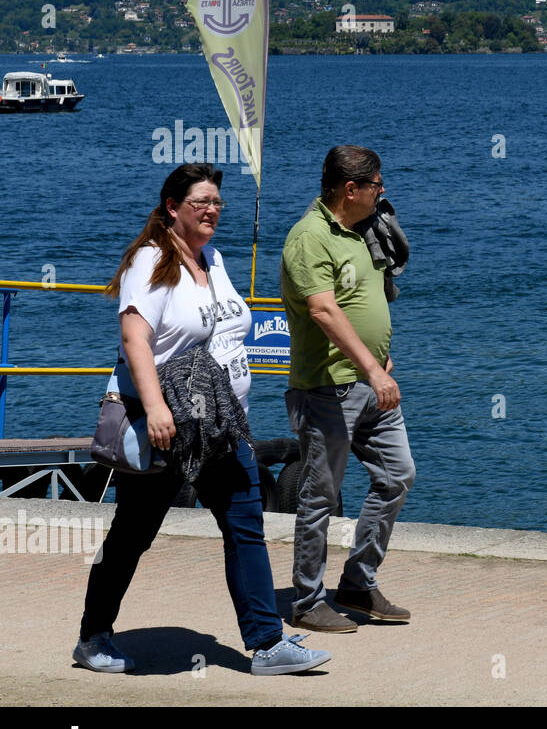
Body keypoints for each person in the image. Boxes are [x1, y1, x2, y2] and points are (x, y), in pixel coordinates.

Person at [75, 162, 330, 676]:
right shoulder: (151, 261)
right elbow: (135, 339)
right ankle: (94, 638)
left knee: (245, 525)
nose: (212, 210)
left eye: (217, 202)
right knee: (131, 536)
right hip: (167, 430)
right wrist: (157, 409)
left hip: (219, 426)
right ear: (173, 208)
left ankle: (268, 644)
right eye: (201, 202)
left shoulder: (211, 259)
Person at [281, 145, 415, 633]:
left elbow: (364, 299)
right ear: (350, 189)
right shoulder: (309, 238)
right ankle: (307, 599)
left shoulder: (363, 231)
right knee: (320, 495)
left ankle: (358, 581)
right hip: (327, 387)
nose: (384, 192)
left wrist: (379, 360)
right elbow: (322, 310)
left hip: (371, 381)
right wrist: (372, 369)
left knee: (397, 475)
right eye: (377, 185)